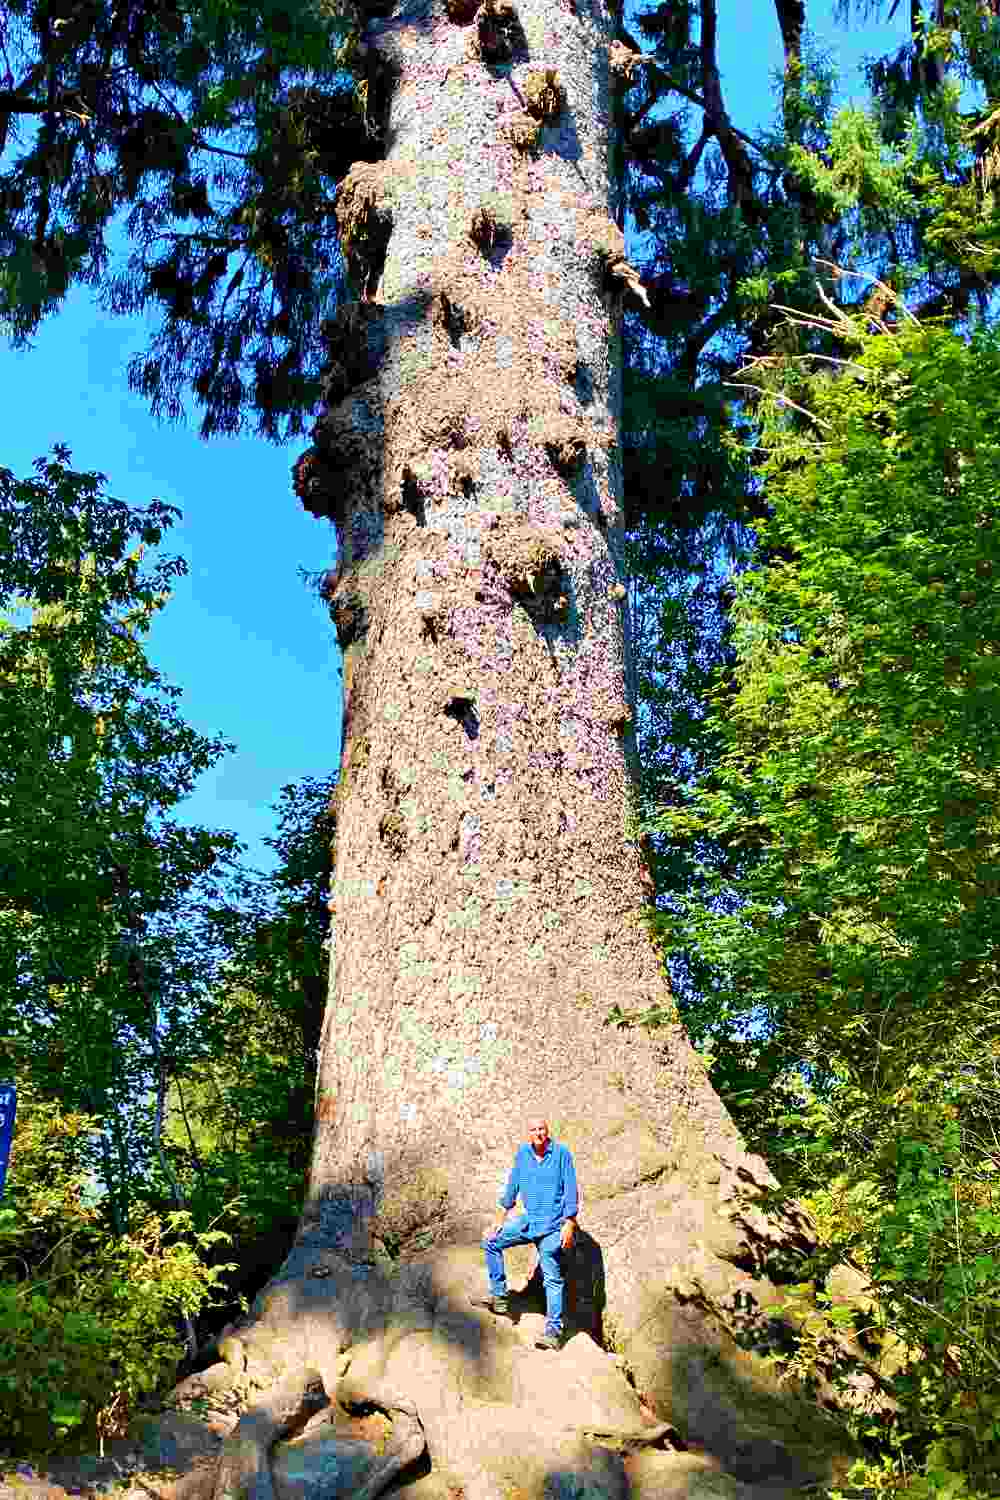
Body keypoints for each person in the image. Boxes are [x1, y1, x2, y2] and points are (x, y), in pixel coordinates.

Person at [473, 1115, 578, 1350]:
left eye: (542, 1128)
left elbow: (571, 1189)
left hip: (553, 1226)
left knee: (552, 1277)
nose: (538, 1133)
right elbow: (511, 1188)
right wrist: (499, 1219)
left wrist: (570, 1223)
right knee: (491, 1241)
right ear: (528, 1133)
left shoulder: (561, 1154)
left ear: (547, 1130)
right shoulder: (522, 1155)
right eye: (533, 1130)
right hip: (529, 1222)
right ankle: (499, 1296)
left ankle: (553, 1331)